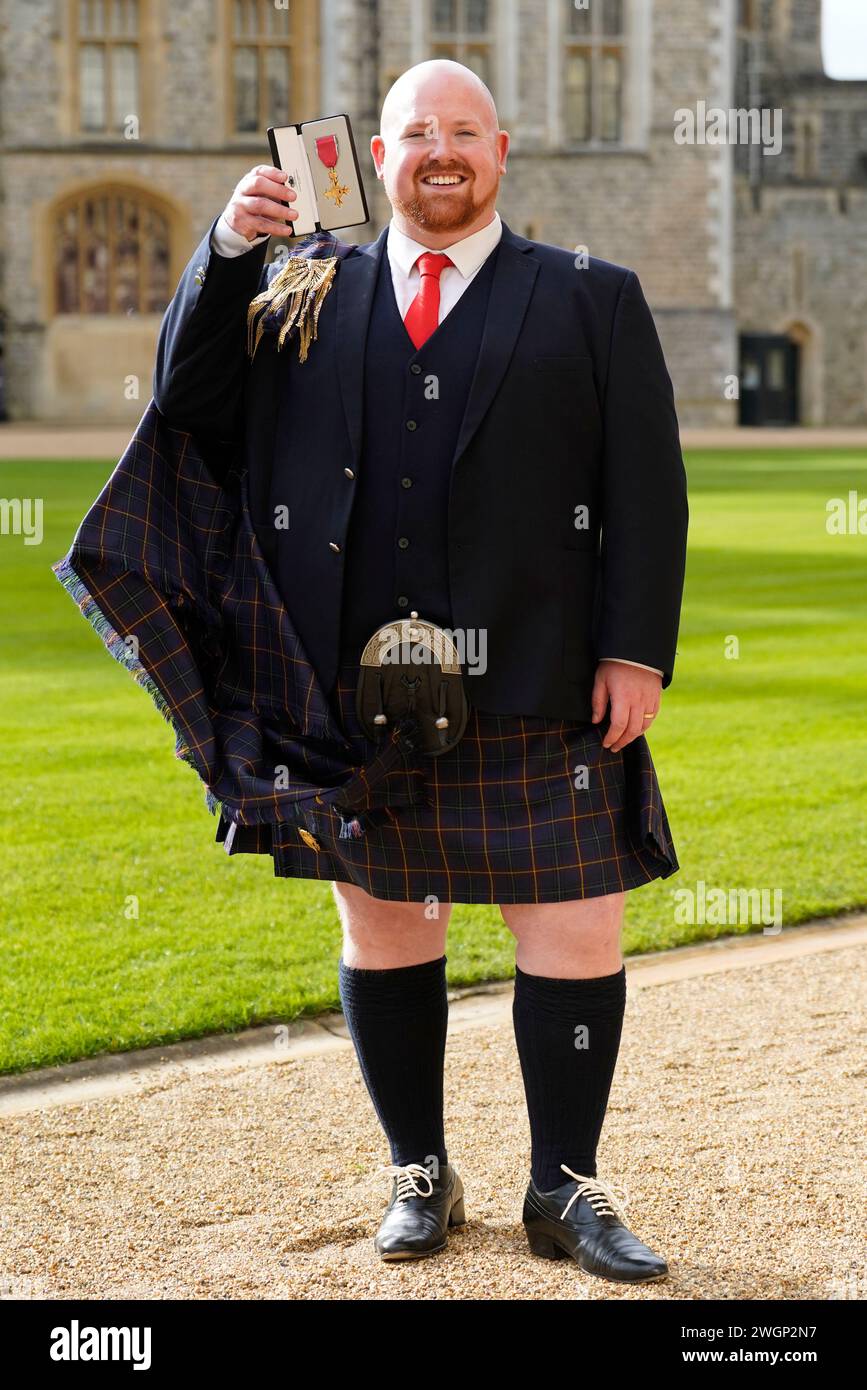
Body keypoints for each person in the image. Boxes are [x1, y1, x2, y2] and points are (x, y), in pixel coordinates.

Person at [153, 59, 688, 1282]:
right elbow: (189, 402)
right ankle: (417, 1171)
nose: (437, 152)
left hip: (537, 677)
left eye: (461, 132)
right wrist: (228, 251)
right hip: (349, 685)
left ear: (502, 151)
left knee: (574, 925)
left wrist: (634, 648)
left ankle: (564, 1184)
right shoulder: (296, 288)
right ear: (375, 157)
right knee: (387, 924)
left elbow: (647, 495)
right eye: (413, 134)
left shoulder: (591, 297)